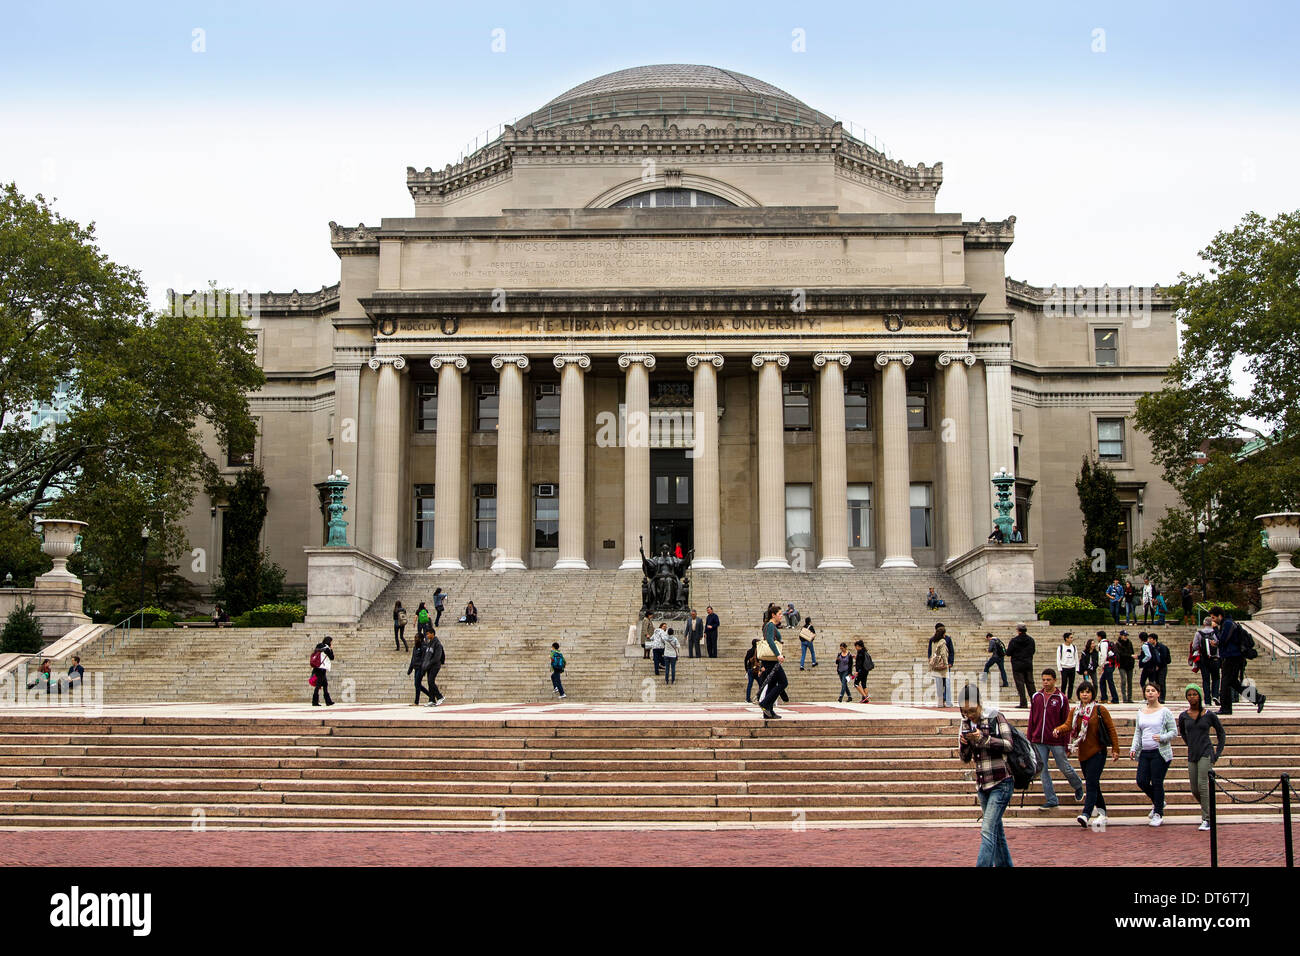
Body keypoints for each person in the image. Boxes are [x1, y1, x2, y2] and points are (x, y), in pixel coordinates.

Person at [957, 683, 1015, 868]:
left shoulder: (995, 717)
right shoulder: (965, 723)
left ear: (980, 704)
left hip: (1002, 781)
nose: (969, 715)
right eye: (965, 711)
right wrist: (965, 744)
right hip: (983, 785)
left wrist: (983, 738)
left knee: (988, 830)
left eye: (972, 710)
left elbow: (1008, 744)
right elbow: (965, 758)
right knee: (996, 832)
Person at [1055, 682, 1120, 829]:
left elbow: (1111, 729)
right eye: (1082, 692)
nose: (1085, 694)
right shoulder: (1075, 710)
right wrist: (1058, 730)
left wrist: (1115, 749)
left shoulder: (1099, 709)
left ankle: (1086, 814)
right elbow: (1068, 725)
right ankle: (1103, 814)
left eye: (1088, 692)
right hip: (1083, 753)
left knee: (1091, 783)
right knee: (1093, 784)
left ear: (1093, 694)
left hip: (1098, 752)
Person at [1028, 668, 1084, 810]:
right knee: (1042, 770)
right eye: (1044, 680)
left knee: (1064, 766)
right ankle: (1051, 799)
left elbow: (1067, 722)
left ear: (1054, 680)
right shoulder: (1036, 696)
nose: (1046, 683)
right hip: (1039, 739)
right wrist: (1030, 739)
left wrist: (1066, 744)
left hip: (1056, 740)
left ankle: (1077, 785)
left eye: (1048, 680)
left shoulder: (1061, 698)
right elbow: (1032, 720)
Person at [1177, 683, 1226, 831]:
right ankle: (1209, 809)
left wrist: (1217, 753)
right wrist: (1190, 744)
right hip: (1193, 753)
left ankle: (1207, 818)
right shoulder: (1183, 716)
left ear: (1200, 695)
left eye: (1195, 694)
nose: (1192, 697)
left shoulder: (1209, 714)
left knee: (1203, 785)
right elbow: (1184, 734)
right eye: (1189, 695)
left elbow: (1221, 733)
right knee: (1194, 789)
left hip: (1206, 752)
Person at [1129, 680, 1177, 826]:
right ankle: (1159, 801)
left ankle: (1158, 813)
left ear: (1158, 693)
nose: (1150, 693)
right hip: (1145, 751)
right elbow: (1138, 731)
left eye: (1153, 690)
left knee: (1157, 782)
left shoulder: (1165, 711)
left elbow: (1174, 731)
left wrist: (1162, 737)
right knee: (1141, 780)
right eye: (1147, 690)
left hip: (1160, 752)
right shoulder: (1141, 712)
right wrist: (1133, 747)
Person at [1213, 607, 1265, 714]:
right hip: (1232, 656)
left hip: (1233, 657)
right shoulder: (1227, 623)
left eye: (1213, 617)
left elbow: (1223, 640)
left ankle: (1226, 708)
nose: (1213, 620)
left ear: (1220, 616)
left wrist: (1215, 630)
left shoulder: (1228, 624)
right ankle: (1258, 698)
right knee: (1234, 683)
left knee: (1225, 683)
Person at [1006, 623, 1035, 709]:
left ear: (1018, 630)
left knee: (1020, 684)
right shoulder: (1031, 640)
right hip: (1028, 663)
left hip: (1017, 664)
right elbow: (1033, 651)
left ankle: (1023, 702)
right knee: (1030, 683)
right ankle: (1035, 702)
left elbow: (1008, 653)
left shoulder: (1014, 640)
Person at [1192, 619, 1220, 706]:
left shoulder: (1199, 633)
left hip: (1203, 659)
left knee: (1206, 680)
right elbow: (1220, 642)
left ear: (1204, 623)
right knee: (1216, 678)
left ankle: (1207, 700)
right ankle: (1215, 695)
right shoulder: (1216, 632)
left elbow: (1195, 646)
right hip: (1215, 658)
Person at [928, 623, 954, 707]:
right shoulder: (943, 640)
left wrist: (931, 662)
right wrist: (947, 663)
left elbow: (931, 652)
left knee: (939, 684)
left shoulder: (933, 640)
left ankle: (940, 702)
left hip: (936, 665)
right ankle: (948, 702)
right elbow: (944, 653)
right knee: (947, 683)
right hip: (943, 665)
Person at [407, 633, 435, 706]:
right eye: (415, 638)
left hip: (420, 668)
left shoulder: (424, 647)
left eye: (417, 638)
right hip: (416, 667)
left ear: (421, 638)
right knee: (417, 684)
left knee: (417, 684)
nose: (415, 639)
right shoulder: (415, 647)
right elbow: (413, 659)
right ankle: (431, 696)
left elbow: (424, 659)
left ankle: (417, 702)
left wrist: (423, 669)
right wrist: (410, 669)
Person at [422, 630, 446, 706]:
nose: (427, 636)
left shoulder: (437, 644)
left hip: (435, 665)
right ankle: (431, 699)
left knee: (431, 681)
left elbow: (437, 657)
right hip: (429, 665)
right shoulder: (429, 643)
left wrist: (429, 663)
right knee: (429, 682)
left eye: (428, 634)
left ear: (433, 634)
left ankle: (440, 696)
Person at [311, 636, 335, 707]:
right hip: (322, 668)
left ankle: (328, 701)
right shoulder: (327, 648)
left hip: (317, 666)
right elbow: (332, 657)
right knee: (318, 685)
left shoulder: (319, 645)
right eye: (331, 642)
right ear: (329, 642)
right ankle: (315, 701)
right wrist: (331, 649)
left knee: (325, 684)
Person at [1097, 629, 1120, 704]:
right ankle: (1104, 698)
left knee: (1110, 681)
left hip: (1108, 665)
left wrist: (1101, 664)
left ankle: (1115, 699)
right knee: (1103, 681)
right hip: (1110, 664)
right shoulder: (1108, 642)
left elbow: (1104, 655)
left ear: (1100, 637)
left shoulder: (1103, 644)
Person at [1055, 632, 1078, 700]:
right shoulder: (1061, 647)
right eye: (1070, 637)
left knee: (1071, 683)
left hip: (1072, 666)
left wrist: (1077, 667)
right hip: (1064, 667)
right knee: (1064, 683)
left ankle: (1069, 697)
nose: (1072, 639)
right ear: (1066, 638)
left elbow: (1076, 657)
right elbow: (1058, 658)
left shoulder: (1074, 647)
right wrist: (1060, 667)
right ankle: (1062, 696)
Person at [1116, 630, 1136, 703]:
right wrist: (1130, 656)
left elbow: (1132, 652)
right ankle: (1124, 698)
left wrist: (1132, 659)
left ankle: (1129, 698)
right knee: (1123, 680)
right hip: (1122, 665)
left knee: (1130, 682)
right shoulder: (1118, 644)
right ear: (1121, 636)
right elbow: (1120, 654)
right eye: (1124, 635)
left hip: (1129, 665)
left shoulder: (1129, 643)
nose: (1125, 637)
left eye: (1126, 635)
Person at [853, 639, 872, 703]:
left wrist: (858, 671)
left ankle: (865, 696)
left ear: (858, 646)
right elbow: (862, 660)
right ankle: (865, 699)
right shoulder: (864, 651)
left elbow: (860, 663)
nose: (855, 648)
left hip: (861, 670)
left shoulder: (860, 652)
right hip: (866, 670)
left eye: (856, 646)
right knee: (864, 684)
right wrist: (856, 657)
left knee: (856, 683)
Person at [743, 639, 760, 703]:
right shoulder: (758, 651)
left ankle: (747, 698)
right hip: (757, 670)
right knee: (760, 684)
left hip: (750, 669)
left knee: (750, 684)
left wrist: (746, 669)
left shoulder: (749, 651)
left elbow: (745, 660)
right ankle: (759, 697)